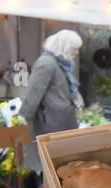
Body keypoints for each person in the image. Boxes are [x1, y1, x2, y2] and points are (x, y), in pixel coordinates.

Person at [19, 29, 84, 170]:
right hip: (49, 126)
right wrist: (24, 118)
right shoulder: (47, 63)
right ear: (64, 46)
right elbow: (33, 93)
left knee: (55, 167)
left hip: (57, 125)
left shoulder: (59, 65)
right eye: (75, 49)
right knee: (47, 168)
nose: (76, 53)